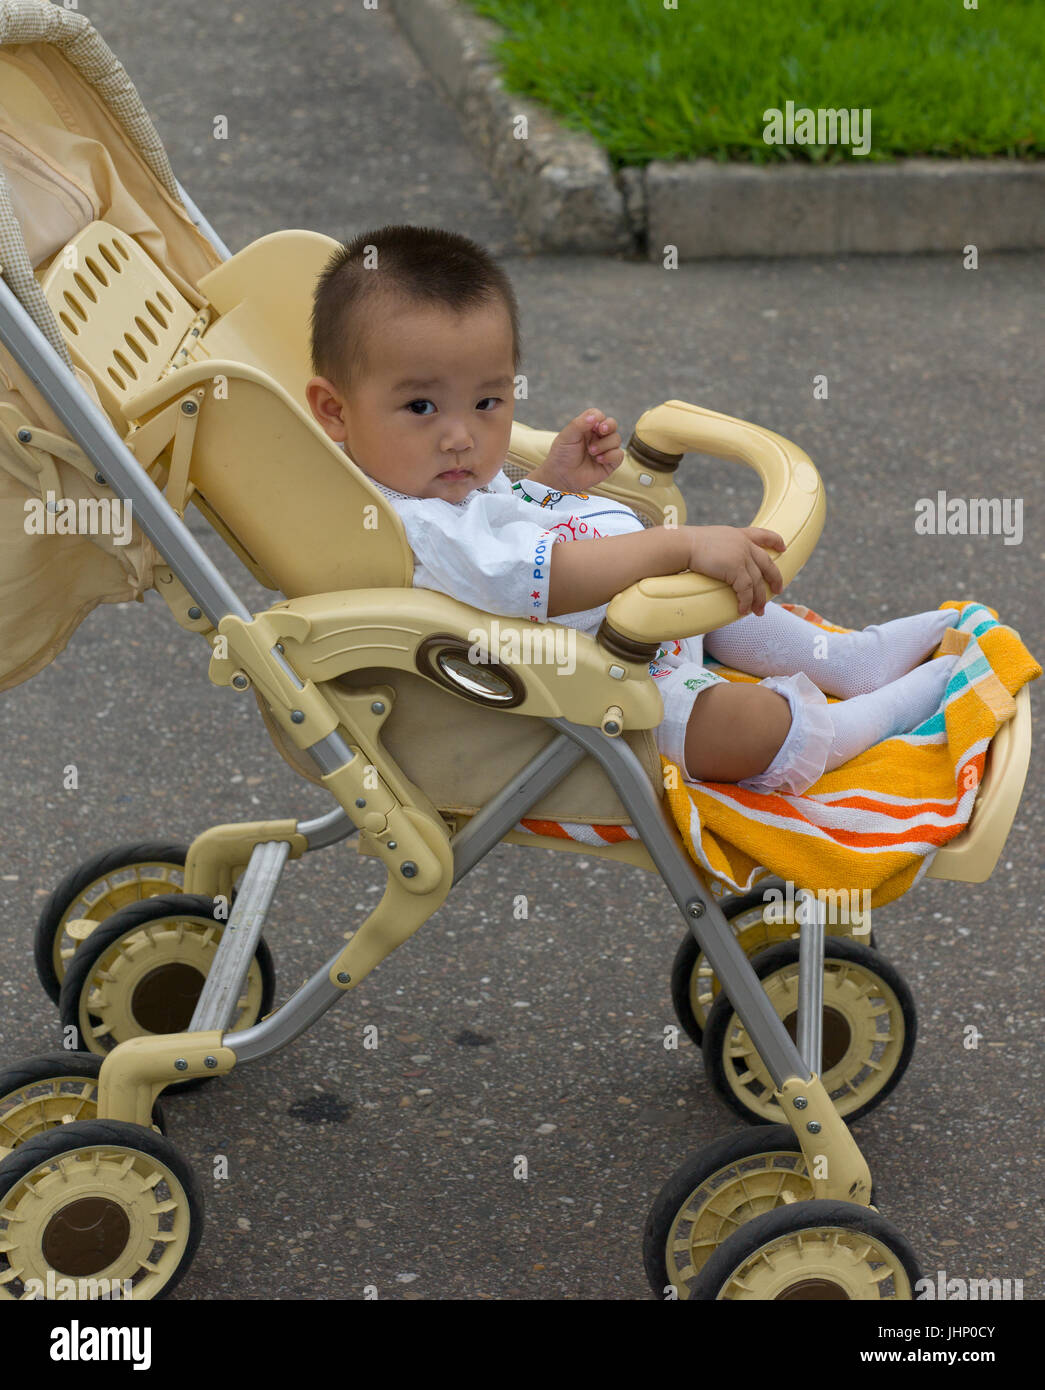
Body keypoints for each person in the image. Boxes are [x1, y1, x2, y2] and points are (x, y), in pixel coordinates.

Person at [305, 225, 958, 794]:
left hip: (636, 628)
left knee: (724, 600)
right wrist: (677, 546)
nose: (461, 436)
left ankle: (852, 661)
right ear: (335, 410)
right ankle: (859, 725)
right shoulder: (413, 526)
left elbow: (504, 525)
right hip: (599, 684)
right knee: (746, 725)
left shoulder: (426, 477)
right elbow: (534, 579)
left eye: (488, 402)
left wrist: (552, 482)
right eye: (421, 407)